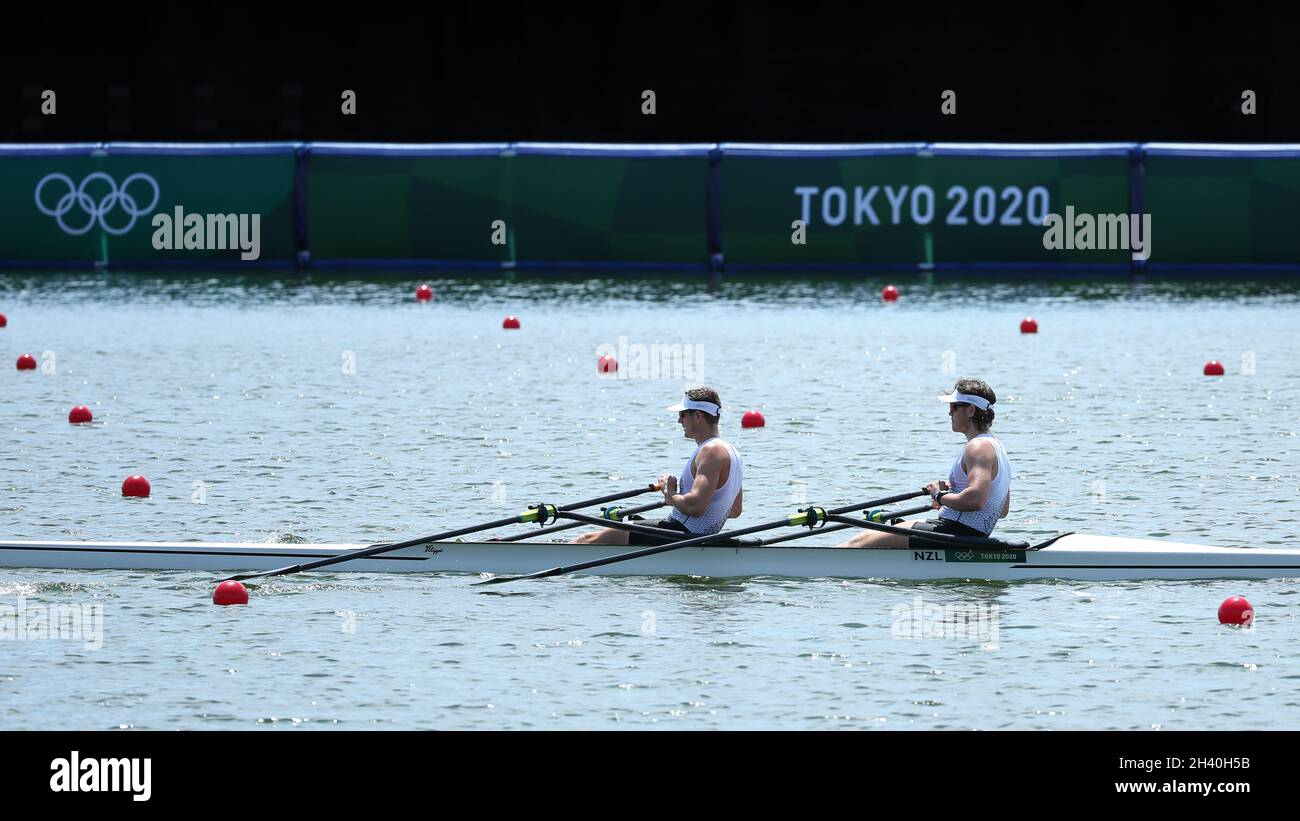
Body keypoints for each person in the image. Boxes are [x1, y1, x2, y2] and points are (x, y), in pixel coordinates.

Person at [838, 378, 1011, 548]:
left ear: (971, 410)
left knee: (859, 541)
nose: (949, 412)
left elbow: (975, 501)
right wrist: (954, 493)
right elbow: (1002, 510)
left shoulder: (978, 447)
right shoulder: (997, 447)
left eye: (953, 406)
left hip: (954, 531)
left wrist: (939, 496)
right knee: (884, 532)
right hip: (965, 531)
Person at [573, 386, 743, 545]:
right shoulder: (733, 452)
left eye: (683, 414)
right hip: (699, 536)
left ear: (698, 416)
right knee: (625, 525)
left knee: (588, 539)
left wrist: (670, 494)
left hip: (680, 533)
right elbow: (735, 510)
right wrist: (680, 502)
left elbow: (696, 507)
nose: (679, 420)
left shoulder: (711, 451)